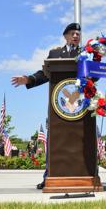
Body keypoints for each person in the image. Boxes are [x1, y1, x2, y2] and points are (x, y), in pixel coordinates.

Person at [10, 22, 82, 189]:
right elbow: (45, 74)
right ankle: (49, 176)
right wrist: (29, 79)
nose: (75, 36)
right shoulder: (55, 53)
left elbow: (94, 76)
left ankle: (85, 174)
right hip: (59, 108)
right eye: (72, 33)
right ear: (65, 36)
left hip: (81, 107)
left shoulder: (86, 54)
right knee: (55, 143)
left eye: (78, 34)